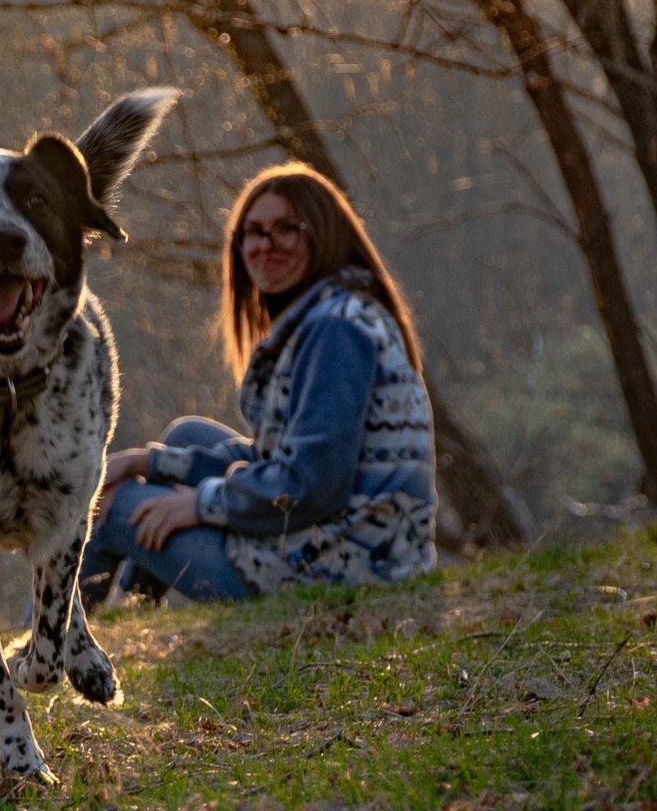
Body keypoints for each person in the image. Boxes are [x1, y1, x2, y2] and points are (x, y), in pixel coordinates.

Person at [81, 162, 437, 604]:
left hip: (348, 569)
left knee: (112, 509)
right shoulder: (330, 314)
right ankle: (131, 613)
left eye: (286, 229)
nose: (265, 246)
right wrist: (142, 462)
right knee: (183, 437)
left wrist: (197, 505)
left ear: (322, 235)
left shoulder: (336, 332)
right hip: (345, 542)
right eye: (253, 232)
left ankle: (45, 654)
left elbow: (307, 485)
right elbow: (280, 458)